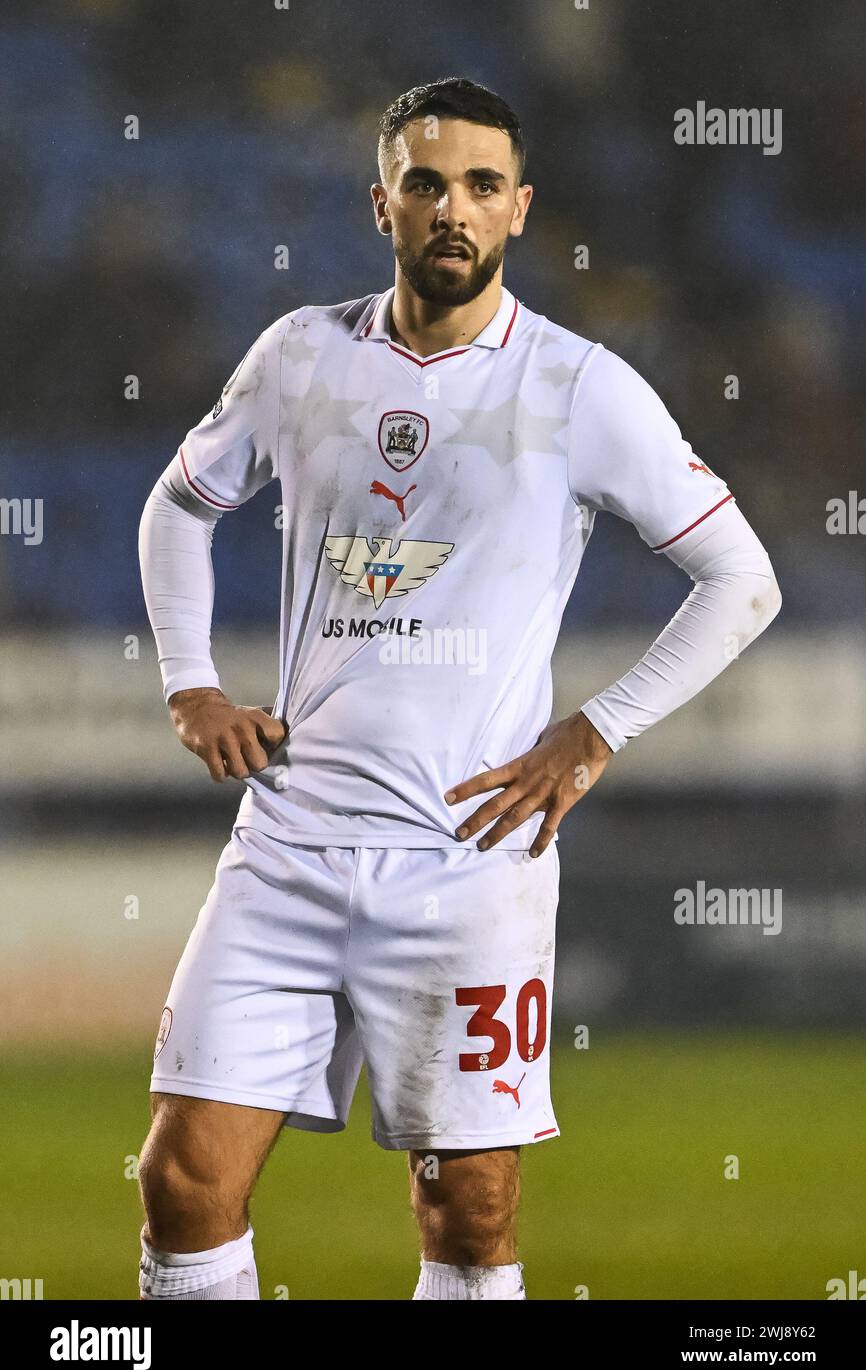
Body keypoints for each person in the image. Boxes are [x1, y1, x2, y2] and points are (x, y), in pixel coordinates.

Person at [137, 76, 781, 1301]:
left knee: (469, 1212)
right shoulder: (299, 356)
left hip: (465, 853)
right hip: (291, 835)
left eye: (481, 186)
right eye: (426, 183)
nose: (452, 209)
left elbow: (739, 579)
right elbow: (181, 503)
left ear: (520, 210)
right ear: (380, 202)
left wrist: (591, 733)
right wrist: (189, 685)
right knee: (179, 1180)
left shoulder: (577, 385)